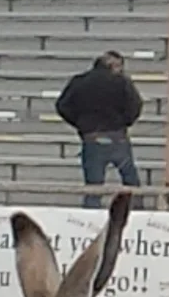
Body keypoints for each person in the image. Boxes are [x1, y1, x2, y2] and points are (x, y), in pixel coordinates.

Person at [53, 51, 143, 209]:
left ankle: (89, 220)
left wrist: (80, 124)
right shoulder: (121, 82)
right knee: (131, 183)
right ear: (113, 66)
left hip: (92, 138)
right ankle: (138, 215)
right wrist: (124, 122)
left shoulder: (79, 81)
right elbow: (135, 105)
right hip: (117, 137)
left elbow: (62, 106)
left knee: (93, 187)